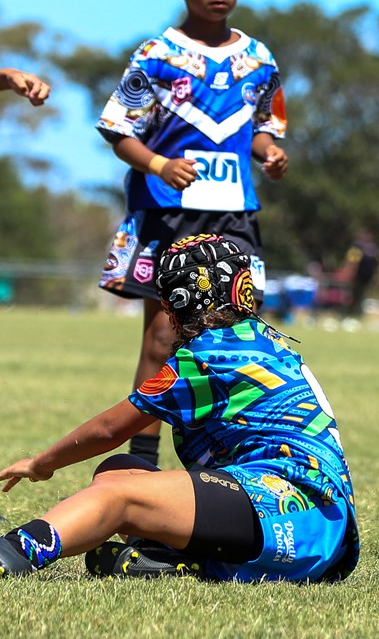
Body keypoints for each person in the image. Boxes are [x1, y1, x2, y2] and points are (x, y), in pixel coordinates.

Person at [0, 234, 358, 582]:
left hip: (287, 514)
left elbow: (110, 429)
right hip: (320, 521)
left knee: (118, 496)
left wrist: (39, 464)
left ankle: (18, 550)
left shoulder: (207, 356)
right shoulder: (260, 340)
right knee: (119, 470)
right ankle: (169, 560)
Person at [95, 0, 288, 467]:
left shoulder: (259, 60)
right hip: (170, 213)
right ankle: (140, 457)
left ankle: (234, 458)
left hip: (236, 217)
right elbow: (117, 129)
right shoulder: (157, 55)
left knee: (238, 334)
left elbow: (264, 126)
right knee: (162, 338)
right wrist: (159, 163)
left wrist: (270, 152)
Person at [342, 229, 379, 325]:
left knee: (356, 297)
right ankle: (350, 315)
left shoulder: (360, 248)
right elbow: (353, 263)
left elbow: (352, 263)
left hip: (361, 277)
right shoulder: (367, 248)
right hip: (360, 277)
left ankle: (352, 315)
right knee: (354, 297)